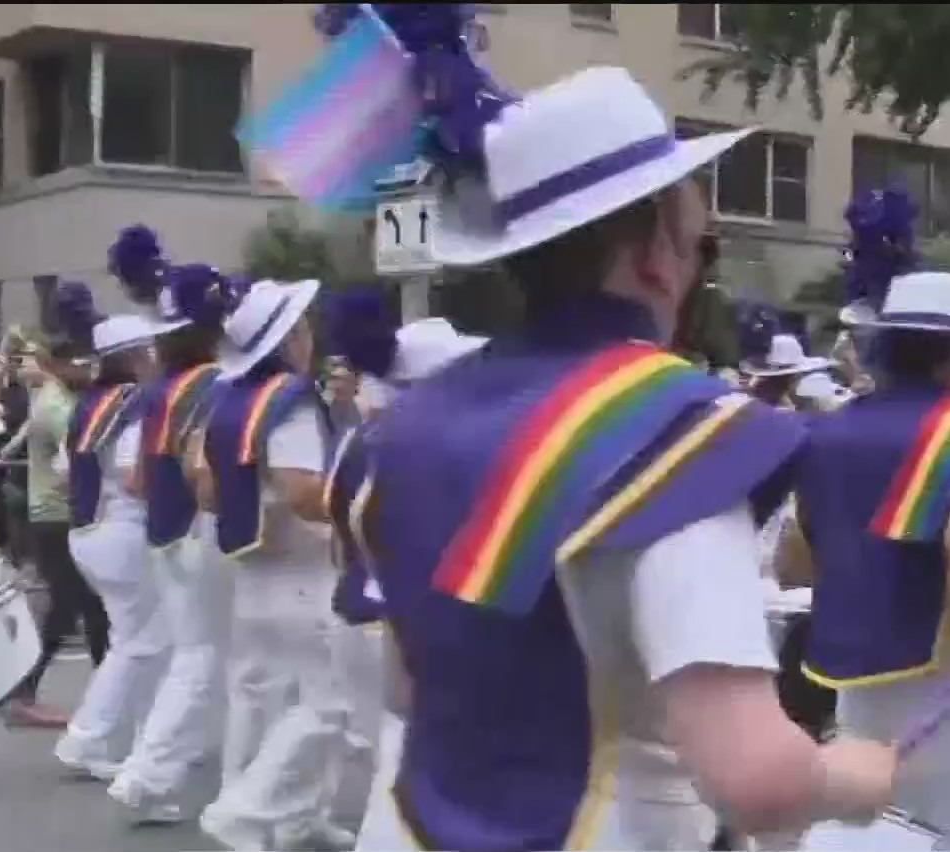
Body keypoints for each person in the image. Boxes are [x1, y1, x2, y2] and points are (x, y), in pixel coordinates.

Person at [275, 10, 895, 847]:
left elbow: (405, 690)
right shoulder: (669, 433)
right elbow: (755, 778)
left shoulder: (404, 422)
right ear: (652, 253)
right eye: (701, 247)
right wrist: (850, 775)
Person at [322, 295, 488, 850]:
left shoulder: (360, 440)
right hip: (402, 624)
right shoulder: (431, 450)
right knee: (409, 777)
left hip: (356, 610)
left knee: (393, 766)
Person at [194, 278, 354, 850]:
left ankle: (286, 816)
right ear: (288, 339)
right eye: (303, 326)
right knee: (329, 704)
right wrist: (359, 518)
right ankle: (248, 811)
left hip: (254, 567)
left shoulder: (225, 398)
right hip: (304, 571)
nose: (311, 336)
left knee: (260, 693)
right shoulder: (290, 400)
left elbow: (204, 485)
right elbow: (303, 490)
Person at [795, 269, 950, 836]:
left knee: (866, 830)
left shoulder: (826, 430)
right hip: (938, 690)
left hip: (851, 684)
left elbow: (795, 558)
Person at [103, 229, 238, 824]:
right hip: (191, 530)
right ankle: (150, 772)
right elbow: (200, 465)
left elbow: (137, 474)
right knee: (201, 659)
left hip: (162, 531)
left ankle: (168, 768)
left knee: (198, 655)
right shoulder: (212, 386)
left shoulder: (160, 388)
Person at [51, 283, 181, 780]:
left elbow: (66, 471)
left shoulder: (88, 404)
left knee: (143, 640)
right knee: (141, 642)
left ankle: (136, 736)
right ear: (133, 357)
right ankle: (88, 739)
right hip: (123, 530)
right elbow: (134, 475)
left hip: (91, 530)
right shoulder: (133, 405)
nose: (155, 357)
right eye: (148, 350)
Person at [5, 293, 110, 729]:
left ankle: (110, 694)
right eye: (82, 364)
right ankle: (30, 691)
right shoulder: (55, 406)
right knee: (76, 607)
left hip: (60, 515)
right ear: (60, 364)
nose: (90, 370)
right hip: (55, 516)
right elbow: (78, 462)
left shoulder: (56, 394)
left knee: (85, 608)